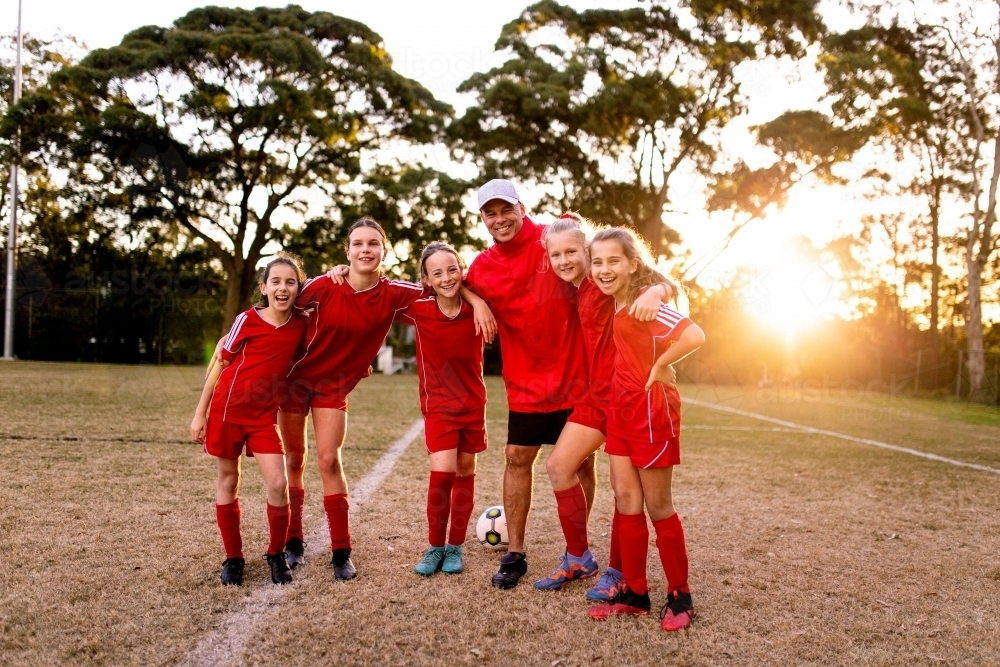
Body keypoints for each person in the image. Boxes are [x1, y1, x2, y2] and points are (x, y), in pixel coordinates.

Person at [278, 218, 495, 581]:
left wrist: (477, 301)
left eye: (373, 243)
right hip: (293, 381)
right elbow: (280, 305)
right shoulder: (322, 285)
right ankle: (294, 539)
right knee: (295, 460)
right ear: (347, 252)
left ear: (384, 251)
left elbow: (443, 289)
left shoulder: (395, 293)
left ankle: (341, 552)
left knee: (329, 460)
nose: (366, 249)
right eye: (358, 243)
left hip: (332, 386)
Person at [534, 214, 675, 595]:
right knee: (559, 466)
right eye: (556, 254)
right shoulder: (580, 286)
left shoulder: (604, 281)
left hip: (625, 395)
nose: (564, 261)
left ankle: (617, 571)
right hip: (596, 394)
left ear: (588, 250)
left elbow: (659, 281)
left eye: (572, 252)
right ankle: (579, 558)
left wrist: (656, 292)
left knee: (624, 490)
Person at [463, 179, 592, 590]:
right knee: (518, 456)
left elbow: (598, 247)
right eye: (490, 213)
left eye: (506, 210)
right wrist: (477, 300)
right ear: (482, 219)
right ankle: (514, 552)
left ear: (522, 207)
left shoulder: (553, 237)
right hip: (526, 382)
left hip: (577, 376)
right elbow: (449, 282)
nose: (500, 219)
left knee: (580, 463)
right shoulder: (483, 267)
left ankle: (577, 550)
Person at [585, 227, 705, 632]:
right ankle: (635, 594)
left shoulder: (642, 300)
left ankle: (680, 595)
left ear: (633, 264)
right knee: (626, 499)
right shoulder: (619, 302)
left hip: (652, 412)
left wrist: (659, 364)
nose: (604, 269)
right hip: (621, 411)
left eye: (613, 261)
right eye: (597, 262)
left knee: (658, 506)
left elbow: (694, 334)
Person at [190, 253, 308, 587]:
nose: (283, 288)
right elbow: (219, 362)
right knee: (228, 479)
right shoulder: (247, 320)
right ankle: (233, 558)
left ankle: (275, 554)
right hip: (227, 410)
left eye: (290, 282)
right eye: (276, 282)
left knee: (278, 483)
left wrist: (358, 362)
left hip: (263, 418)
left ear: (299, 287)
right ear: (264, 287)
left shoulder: (301, 323)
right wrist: (201, 412)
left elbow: (331, 333)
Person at [399, 242, 487, 577]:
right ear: (426, 278)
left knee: (465, 472)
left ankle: (455, 547)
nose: (447, 277)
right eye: (437, 272)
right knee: (443, 473)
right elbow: (374, 300)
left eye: (452, 269)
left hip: (473, 404)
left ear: (462, 270)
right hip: (438, 407)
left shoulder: (477, 308)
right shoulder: (418, 309)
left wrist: (476, 300)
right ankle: (435, 546)